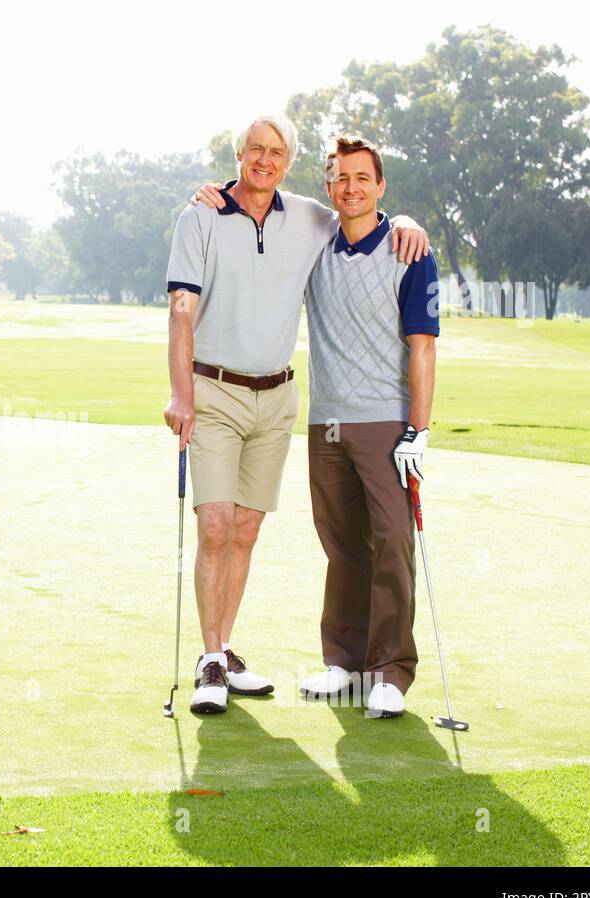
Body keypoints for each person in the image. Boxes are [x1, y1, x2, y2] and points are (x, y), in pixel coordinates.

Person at [164, 115, 428, 715]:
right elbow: (182, 308)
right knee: (215, 526)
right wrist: (180, 394)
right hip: (215, 391)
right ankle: (210, 660)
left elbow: (363, 215)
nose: (265, 159)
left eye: (277, 151)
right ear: (237, 156)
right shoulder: (201, 215)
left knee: (249, 528)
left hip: (278, 397)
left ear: (288, 162)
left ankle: (228, 649)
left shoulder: (309, 218)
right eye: (254, 149)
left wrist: (407, 222)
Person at [296, 135, 440, 718]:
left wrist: (419, 431)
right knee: (341, 545)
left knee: (391, 545)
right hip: (324, 420)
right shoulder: (313, 244)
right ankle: (345, 662)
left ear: (380, 186)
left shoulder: (410, 251)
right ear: (328, 187)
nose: (351, 187)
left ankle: (389, 670)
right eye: (340, 178)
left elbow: (422, 348)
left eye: (363, 177)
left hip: (385, 420)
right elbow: (258, 208)